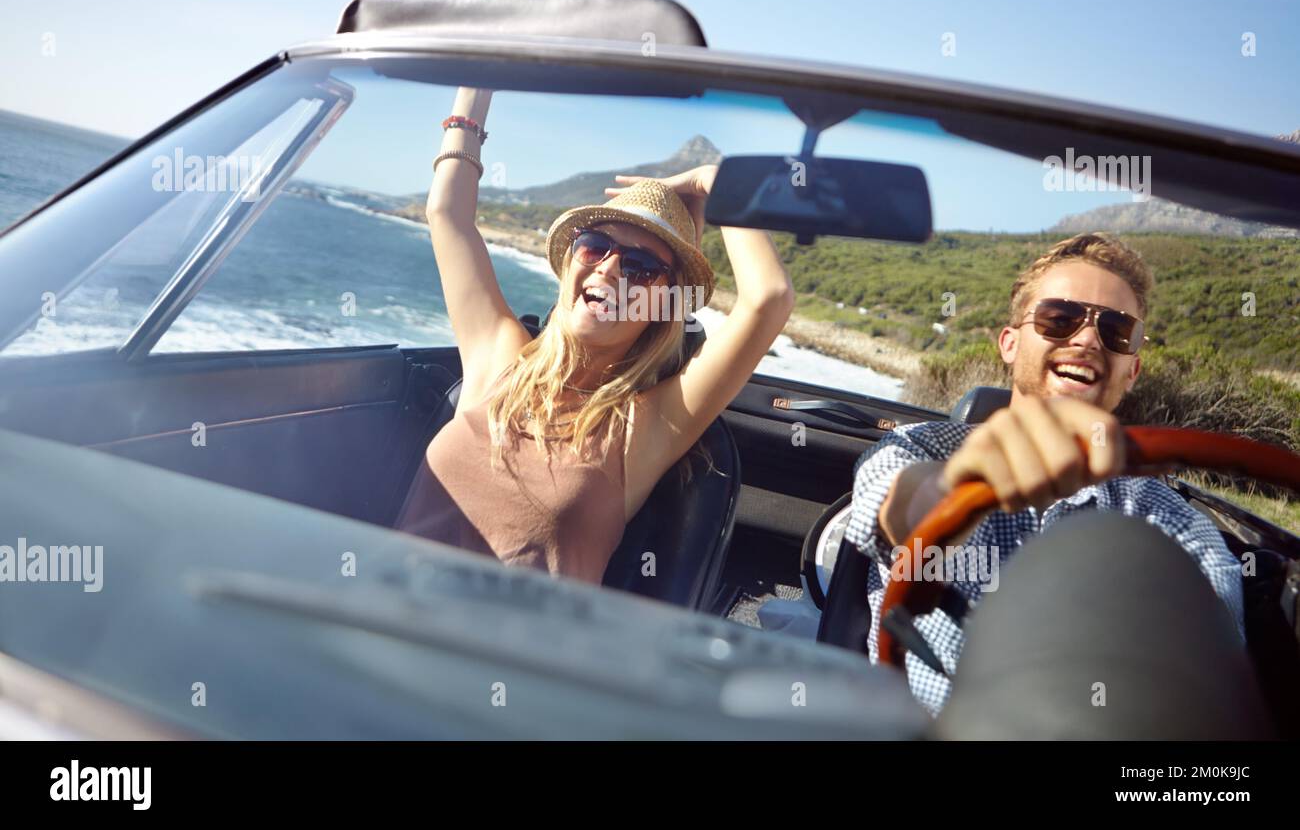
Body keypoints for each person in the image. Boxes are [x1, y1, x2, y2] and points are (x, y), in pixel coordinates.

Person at [395, 87, 794, 584]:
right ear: (570, 262)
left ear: (664, 305)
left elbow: (769, 299)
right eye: (595, 245)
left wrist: (714, 181)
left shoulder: (644, 427)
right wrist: (478, 83)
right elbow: (448, 215)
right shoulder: (499, 359)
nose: (609, 267)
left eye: (643, 266)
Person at [844, 232, 1245, 715]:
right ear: (1010, 343)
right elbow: (900, 506)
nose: (1086, 339)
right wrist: (952, 490)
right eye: (1060, 318)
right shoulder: (920, 447)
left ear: (1131, 371)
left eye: (1117, 331)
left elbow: (1206, 677)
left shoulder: (1171, 521)